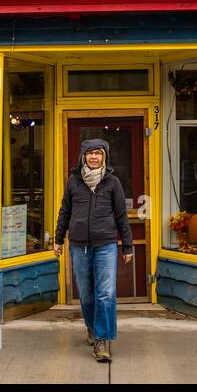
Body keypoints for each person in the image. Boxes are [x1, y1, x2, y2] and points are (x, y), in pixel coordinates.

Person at [54, 139, 134, 363]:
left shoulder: (113, 183)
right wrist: (58, 239)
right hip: (79, 246)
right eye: (90, 153)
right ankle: (91, 327)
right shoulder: (73, 182)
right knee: (87, 294)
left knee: (106, 293)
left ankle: (102, 340)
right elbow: (64, 212)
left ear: (105, 157)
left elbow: (121, 216)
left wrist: (127, 244)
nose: (94, 157)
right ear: (83, 157)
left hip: (106, 245)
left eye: (98, 153)